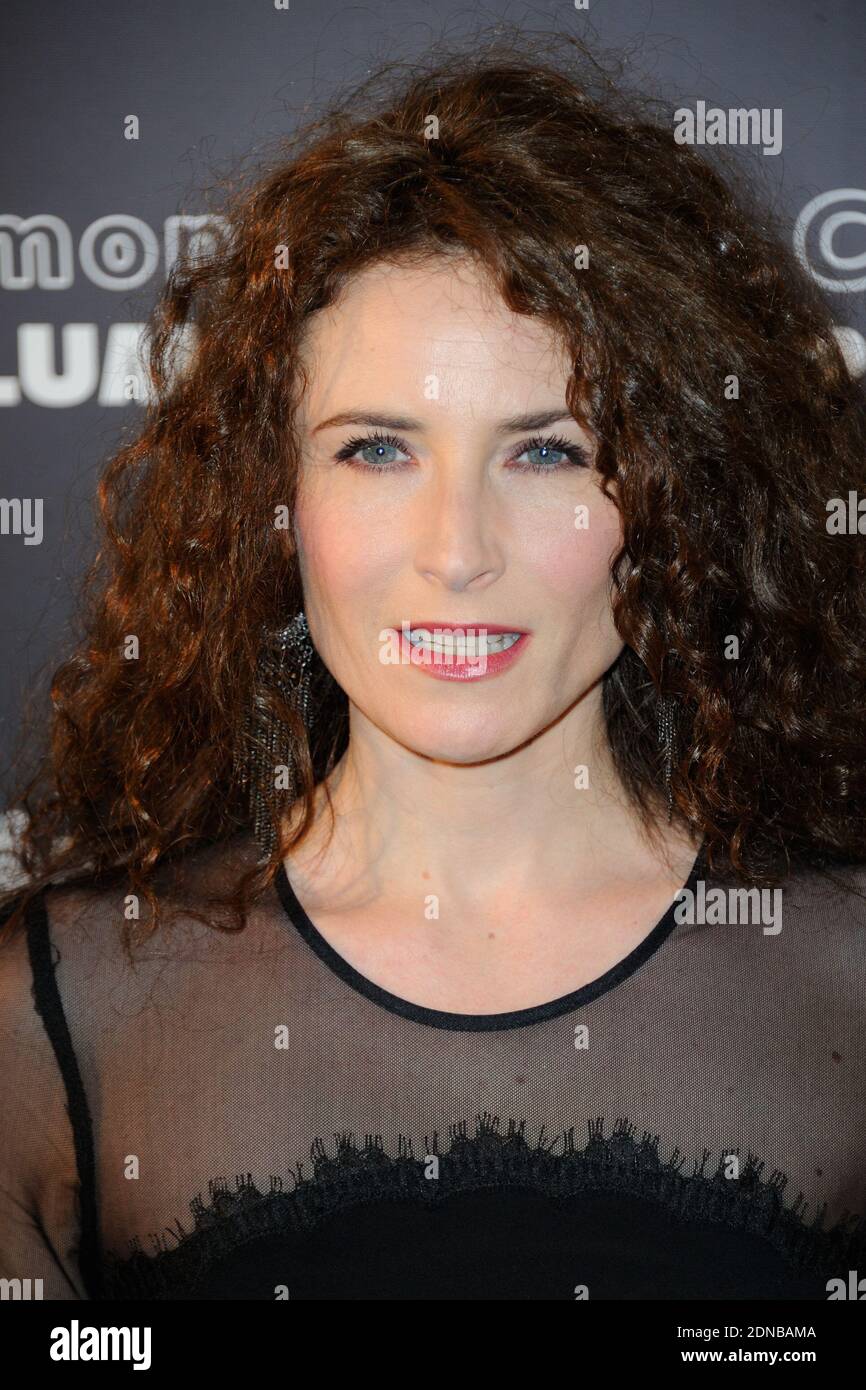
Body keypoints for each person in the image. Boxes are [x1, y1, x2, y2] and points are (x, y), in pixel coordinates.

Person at [2, 38, 866, 1302]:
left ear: (679, 496)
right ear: (272, 497)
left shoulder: (842, 977)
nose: (455, 553)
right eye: (374, 452)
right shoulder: (57, 1017)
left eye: (549, 455)